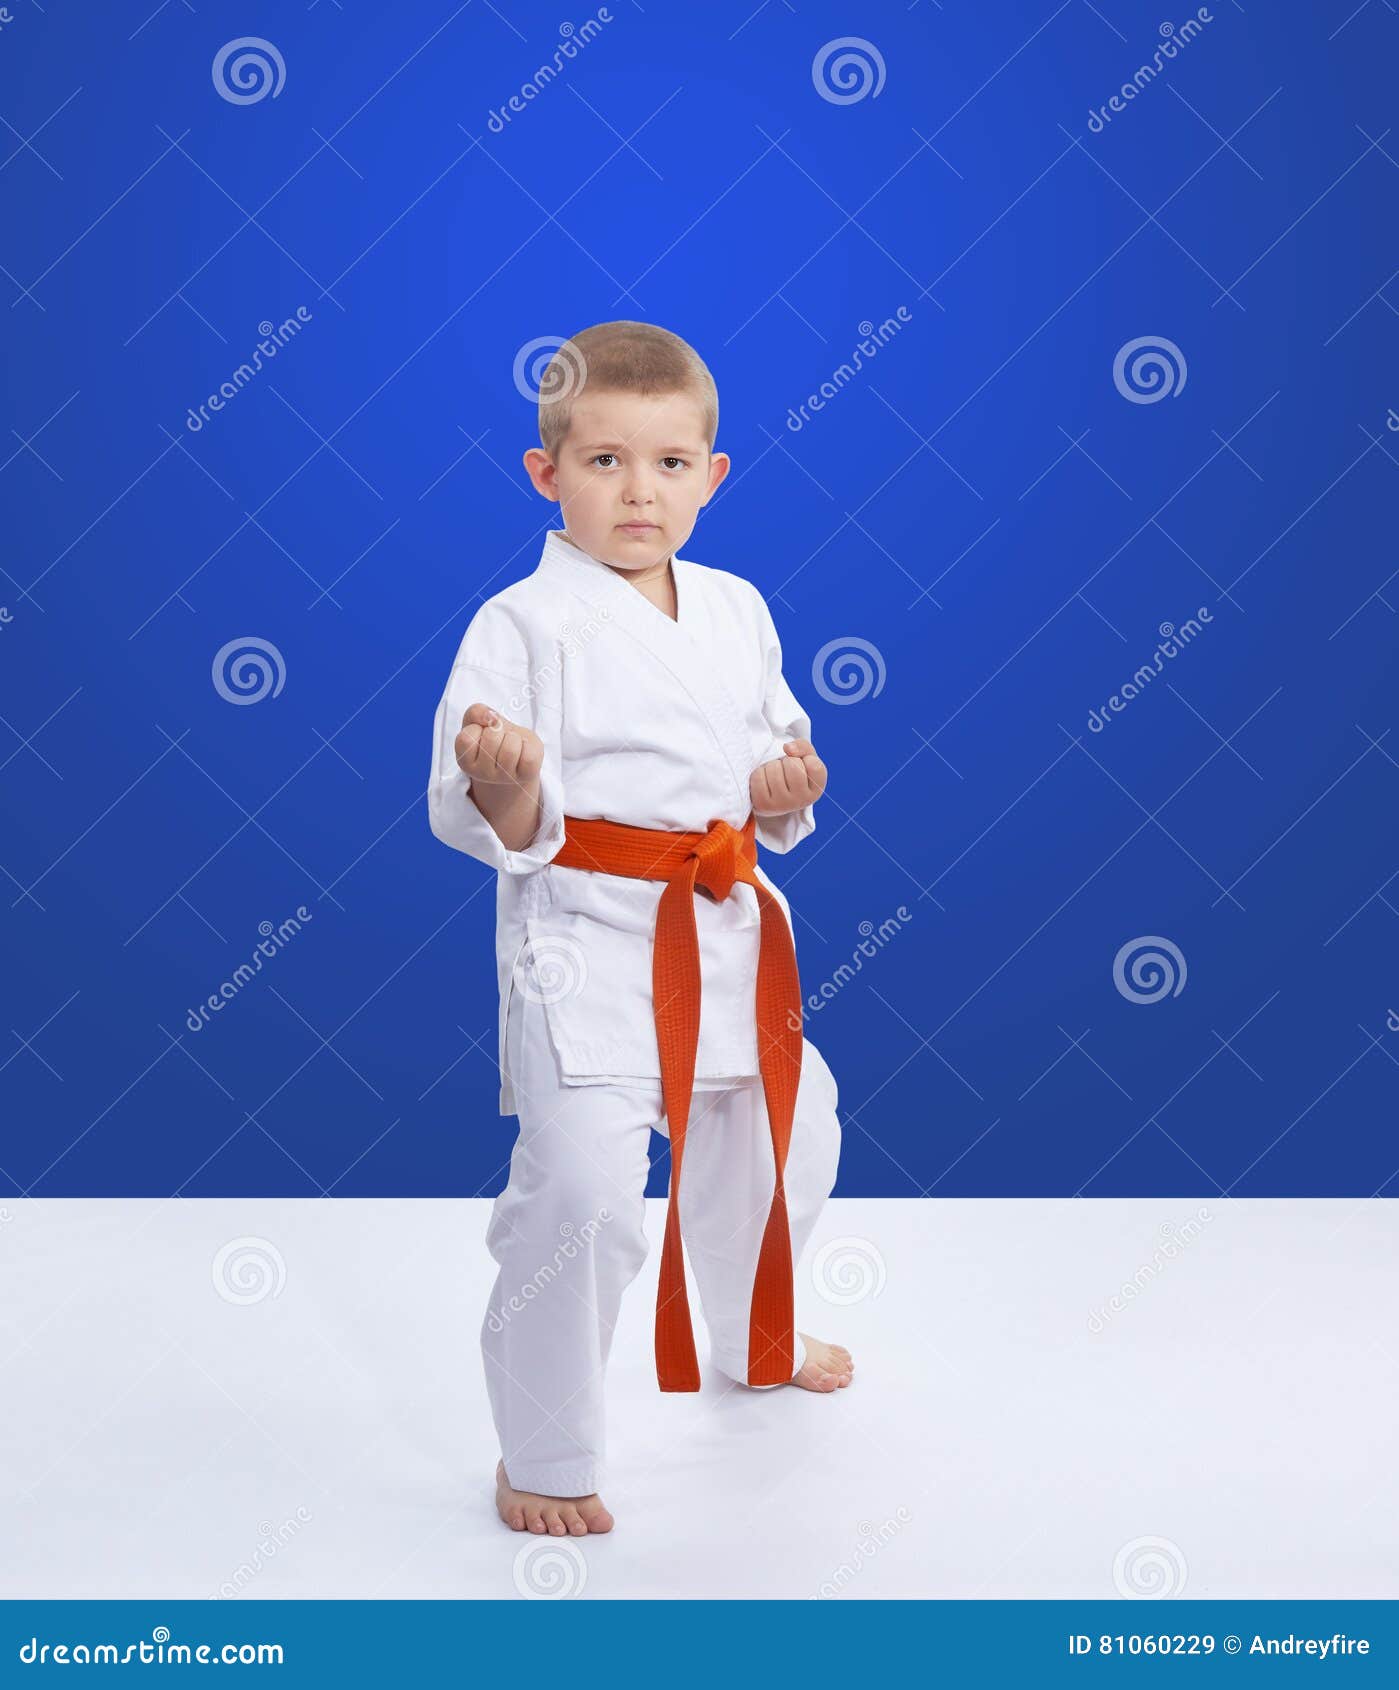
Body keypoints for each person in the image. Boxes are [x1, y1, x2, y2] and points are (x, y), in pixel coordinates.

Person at [427, 320, 851, 1537]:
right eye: (603, 460)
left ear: (712, 476)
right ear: (544, 471)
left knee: (787, 1134)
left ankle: (751, 1331)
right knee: (584, 1197)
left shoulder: (736, 608)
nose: (637, 491)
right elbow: (487, 810)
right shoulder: (519, 622)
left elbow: (778, 754)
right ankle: (545, 1455)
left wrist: (785, 789)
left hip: (722, 923)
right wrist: (507, 781)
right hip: (587, 938)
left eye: (670, 464)